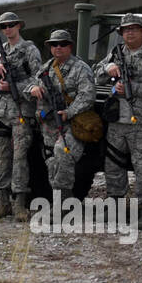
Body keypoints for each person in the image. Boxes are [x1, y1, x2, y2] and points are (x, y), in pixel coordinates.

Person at [93, 14, 142, 231]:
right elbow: (96, 73)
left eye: (134, 28)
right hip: (118, 119)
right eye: (126, 29)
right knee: (113, 165)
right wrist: (107, 68)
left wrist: (135, 89)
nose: (129, 32)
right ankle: (115, 207)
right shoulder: (116, 53)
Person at [28, 29, 94, 204]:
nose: (58, 47)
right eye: (54, 44)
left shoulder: (80, 68)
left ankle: (64, 203)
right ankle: (59, 202)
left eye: (63, 44)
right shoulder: (45, 69)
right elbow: (30, 86)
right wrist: (33, 89)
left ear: (70, 47)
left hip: (74, 124)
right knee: (52, 164)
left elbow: (88, 96)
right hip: (50, 126)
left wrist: (69, 112)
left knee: (62, 155)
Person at [0, 11, 42, 220]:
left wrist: (14, 87)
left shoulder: (30, 50)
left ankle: (19, 204)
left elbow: (39, 80)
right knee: (1, 157)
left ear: (19, 26)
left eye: (11, 25)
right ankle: (4, 202)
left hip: (21, 112)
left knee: (20, 158)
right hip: (1, 112)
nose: (7, 29)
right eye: (4, 26)